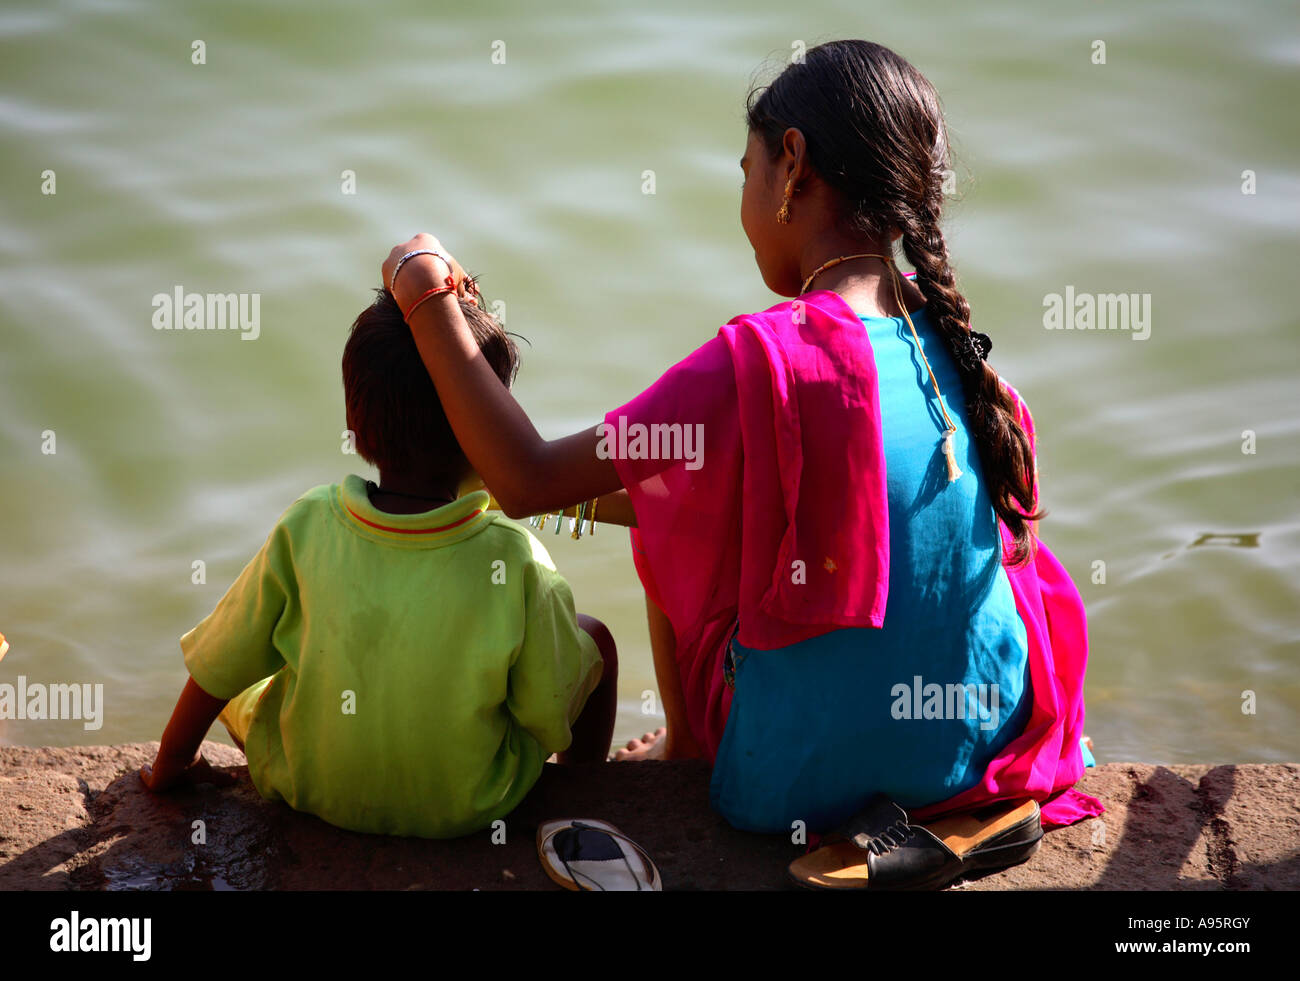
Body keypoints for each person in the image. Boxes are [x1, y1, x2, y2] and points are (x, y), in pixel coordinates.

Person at [382, 39, 1100, 834]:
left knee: (670, 514)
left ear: (791, 165)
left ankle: (687, 743)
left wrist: (423, 291)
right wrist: (566, 502)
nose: (743, 204)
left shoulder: (758, 358)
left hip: (798, 775)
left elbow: (525, 478)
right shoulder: (966, 361)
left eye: (746, 171)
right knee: (695, 489)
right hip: (975, 747)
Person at [140, 289, 617, 839]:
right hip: (471, 804)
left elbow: (218, 663)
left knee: (254, 683)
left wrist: (171, 765)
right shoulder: (513, 556)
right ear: (489, 428)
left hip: (307, 785)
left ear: (353, 415)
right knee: (593, 638)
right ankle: (585, 794)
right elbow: (543, 712)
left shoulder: (308, 523)